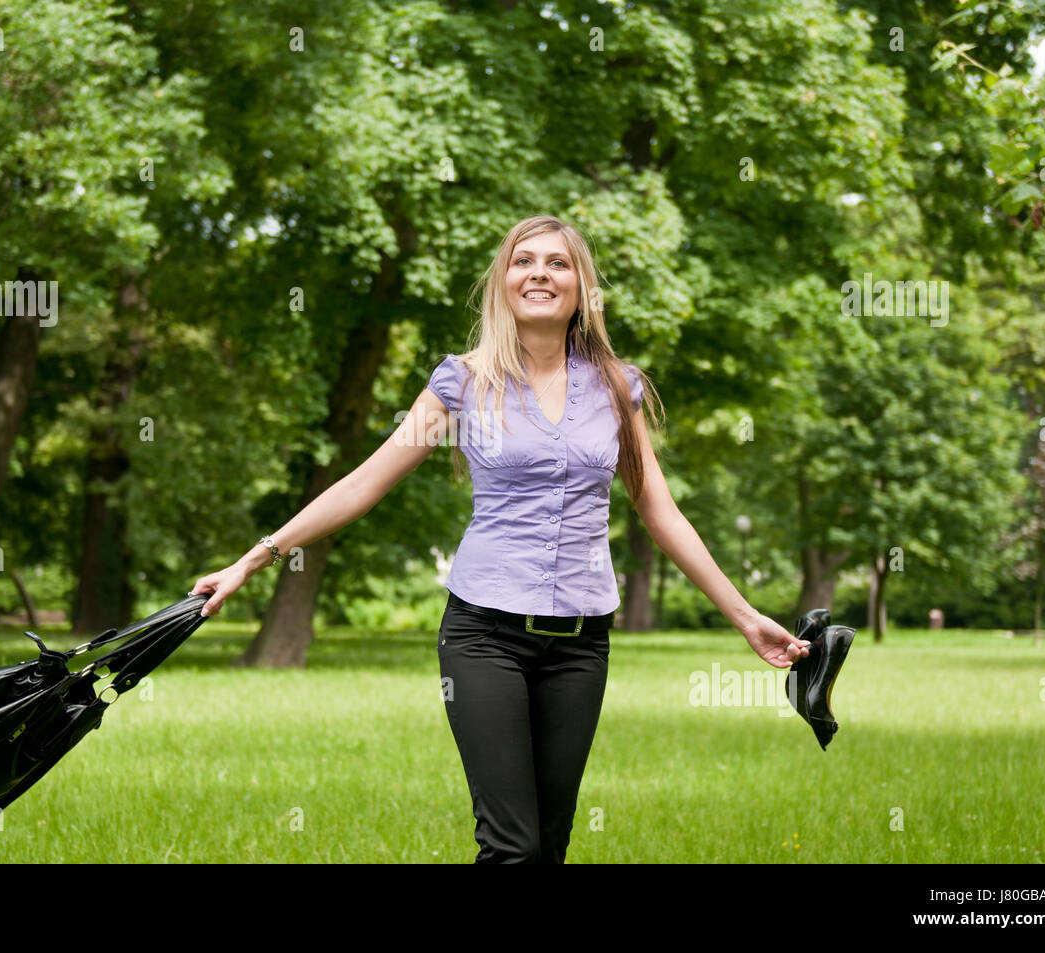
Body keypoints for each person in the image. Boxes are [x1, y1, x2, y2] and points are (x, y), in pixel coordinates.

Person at [192, 214, 810, 863]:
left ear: (581, 289)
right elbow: (362, 484)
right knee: (511, 846)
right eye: (523, 260)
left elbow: (660, 511)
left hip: (581, 644)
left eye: (558, 262)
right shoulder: (462, 380)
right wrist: (252, 560)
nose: (539, 272)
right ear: (503, 281)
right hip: (484, 637)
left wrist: (745, 618)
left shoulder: (615, 387)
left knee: (548, 844)